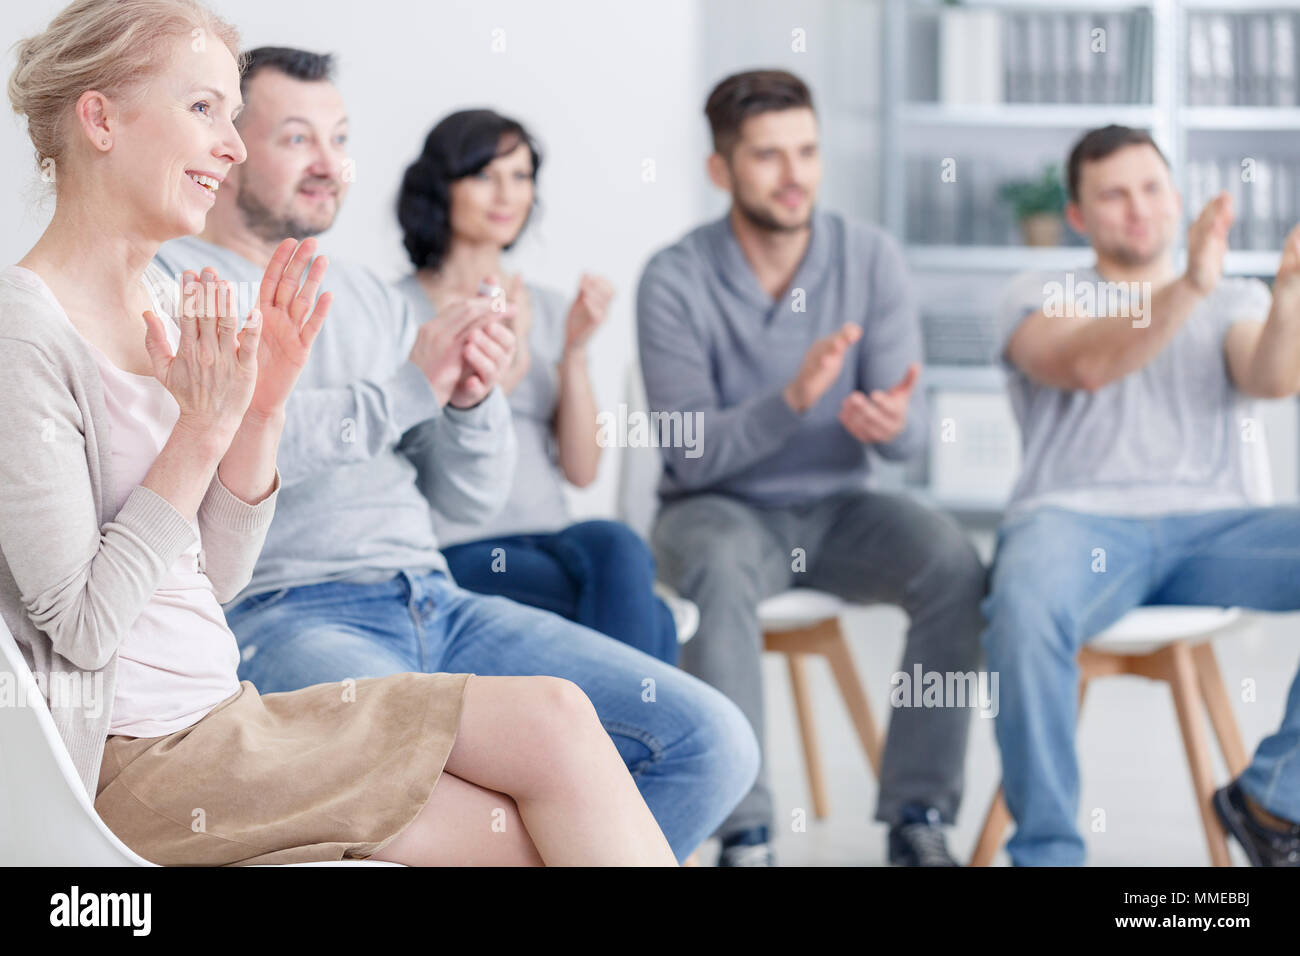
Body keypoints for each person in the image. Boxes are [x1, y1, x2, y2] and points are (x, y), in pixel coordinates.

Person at [0, 0, 677, 866]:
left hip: (222, 719)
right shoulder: (25, 332)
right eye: (203, 108)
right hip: (135, 766)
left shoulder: (162, 304)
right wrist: (203, 431)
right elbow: (86, 628)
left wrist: (266, 404)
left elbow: (216, 578)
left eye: (232, 117)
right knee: (537, 824)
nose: (232, 147)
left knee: (554, 722)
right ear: (99, 118)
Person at [154, 46, 759, 863]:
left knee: (712, 741)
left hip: (437, 597)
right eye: (298, 138)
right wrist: (410, 388)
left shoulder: (363, 294)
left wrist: (470, 401)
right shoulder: (174, 282)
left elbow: (466, 500)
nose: (329, 163)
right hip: (288, 612)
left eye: (340, 138)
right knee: (464, 808)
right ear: (227, 145)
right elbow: (228, 442)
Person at [637, 69, 986, 866]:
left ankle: (917, 813)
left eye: (807, 151)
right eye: (767, 156)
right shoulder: (675, 278)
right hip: (715, 509)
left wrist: (892, 427)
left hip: (840, 508)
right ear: (721, 170)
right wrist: (792, 399)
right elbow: (691, 454)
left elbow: (911, 439)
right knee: (721, 569)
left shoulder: (870, 258)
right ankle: (743, 830)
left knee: (953, 563)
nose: (794, 176)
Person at [986, 124, 1300, 867]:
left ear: (1177, 196)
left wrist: (1287, 299)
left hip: (1213, 525)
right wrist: (1186, 286)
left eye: (1151, 188)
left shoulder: (1231, 296)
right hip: (1074, 522)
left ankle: (1272, 799)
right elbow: (1084, 365)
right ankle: (1048, 853)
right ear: (1077, 216)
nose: (1137, 208)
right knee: (1024, 609)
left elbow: (1271, 379)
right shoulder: (1038, 292)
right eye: (1113, 195)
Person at [393, 108, 692, 666]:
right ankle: (628, 744)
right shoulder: (399, 311)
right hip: (455, 546)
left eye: (522, 176)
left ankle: (601, 746)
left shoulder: (550, 310)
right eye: (485, 175)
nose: (506, 194)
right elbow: (427, 458)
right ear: (442, 185)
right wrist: (497, 373)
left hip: (555, 536)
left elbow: (581, 470)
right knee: (653, 619)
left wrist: (574, 350)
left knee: (618, 543)